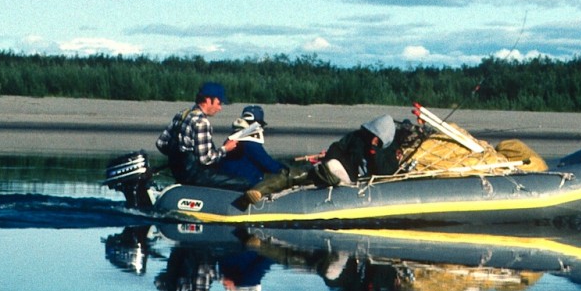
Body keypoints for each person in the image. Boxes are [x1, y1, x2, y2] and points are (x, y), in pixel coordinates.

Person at [243, 114, 403, 204]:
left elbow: (385, 173)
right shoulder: (357, 138)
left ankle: (262, 188)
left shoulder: (389, 152)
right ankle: (259, 190)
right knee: (299, 173)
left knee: (305, 174)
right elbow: (336, 148)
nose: (374, 140)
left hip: (354, 182)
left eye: (377, 139)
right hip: (338, 170)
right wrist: (328, 162)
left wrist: (374, 153)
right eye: (373, 136)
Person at [156, 82, 248, 189]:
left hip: (179, 173)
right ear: (208, 100)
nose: (220, 108)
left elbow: (161, 143)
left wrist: (178, 159)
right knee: (244, 182)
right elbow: (205, 159)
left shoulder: (182, 114)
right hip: (195, 176)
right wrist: (226, 149)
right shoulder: (201, 122)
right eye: (219, 103)